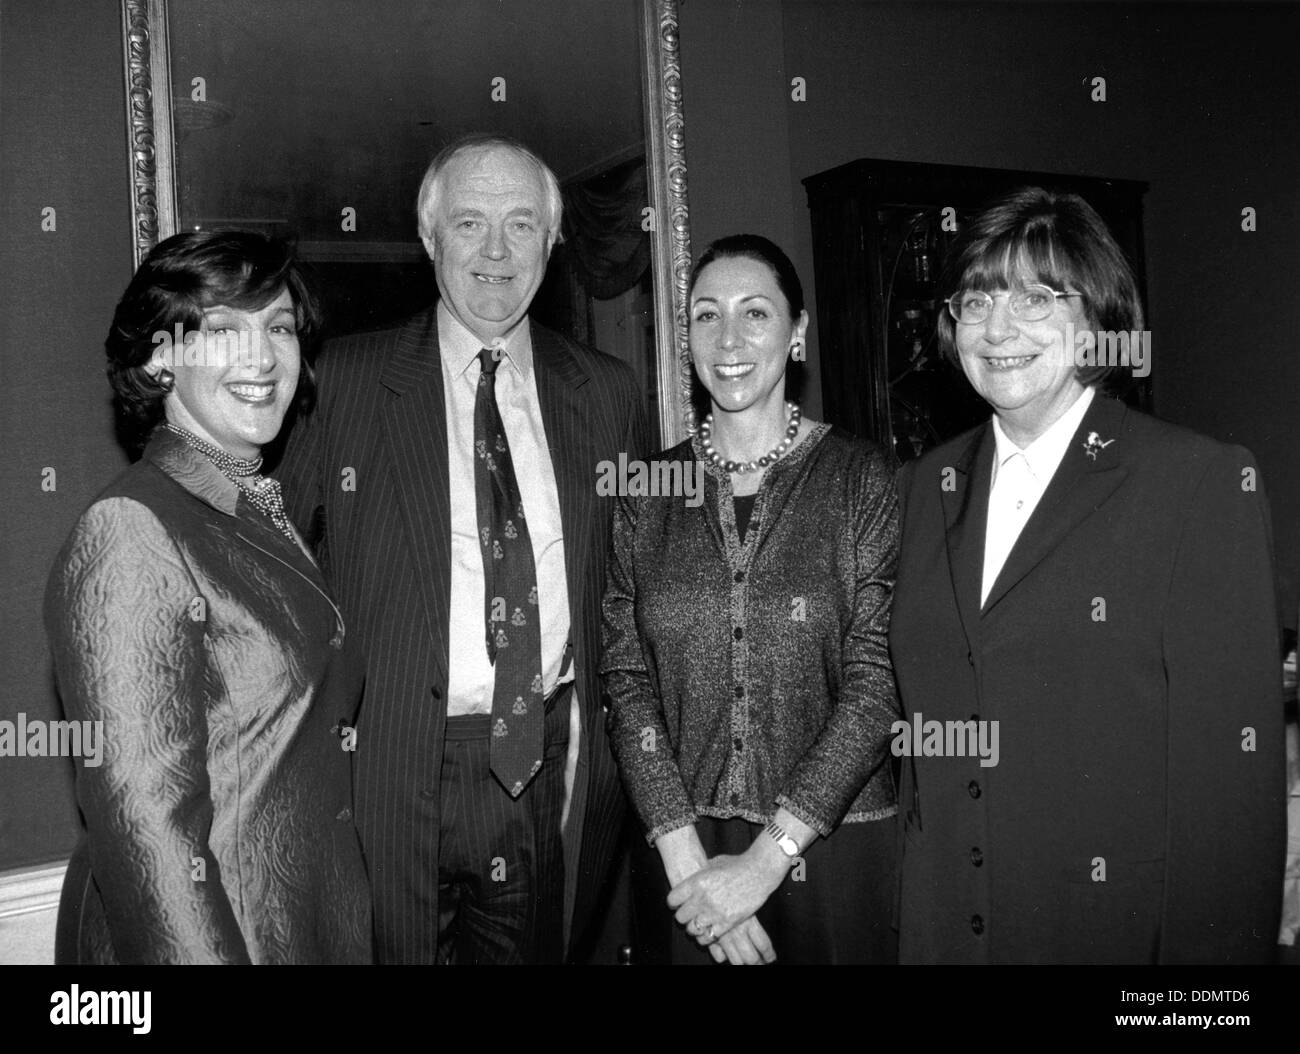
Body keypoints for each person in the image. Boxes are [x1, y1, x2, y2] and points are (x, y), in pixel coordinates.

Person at [277, 134, 649, 964]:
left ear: (553, 245)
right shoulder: (340, 380)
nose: (495, 251)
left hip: (543, 766)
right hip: (382, 769)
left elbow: (630, 592)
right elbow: (275, 573)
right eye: (470, 223)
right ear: (428, 236)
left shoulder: (609, 393)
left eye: (522, 226)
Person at [890, 187, 1286, 963]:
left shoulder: (1197, 484)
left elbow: (1231, 800)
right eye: (976, 302)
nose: (998, 329)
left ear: (1098, 320)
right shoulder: (922, 487)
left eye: (1036, 298)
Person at [46, 230, 372, 964]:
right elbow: (147, 833)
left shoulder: (256, 507)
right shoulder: (131, 527)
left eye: (279, 328)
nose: (261, 358)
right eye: (223, 329)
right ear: (161, 356)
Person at [600, 234, 900, 964]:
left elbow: (876, 685)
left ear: (797, 335)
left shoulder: (864, 479)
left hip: (831, 849)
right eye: (706, 316)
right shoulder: (645, 488)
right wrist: (688, 862)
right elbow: (626, 678)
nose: (728, 339)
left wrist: (765, 864)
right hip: (680, 849)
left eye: (755, 313)